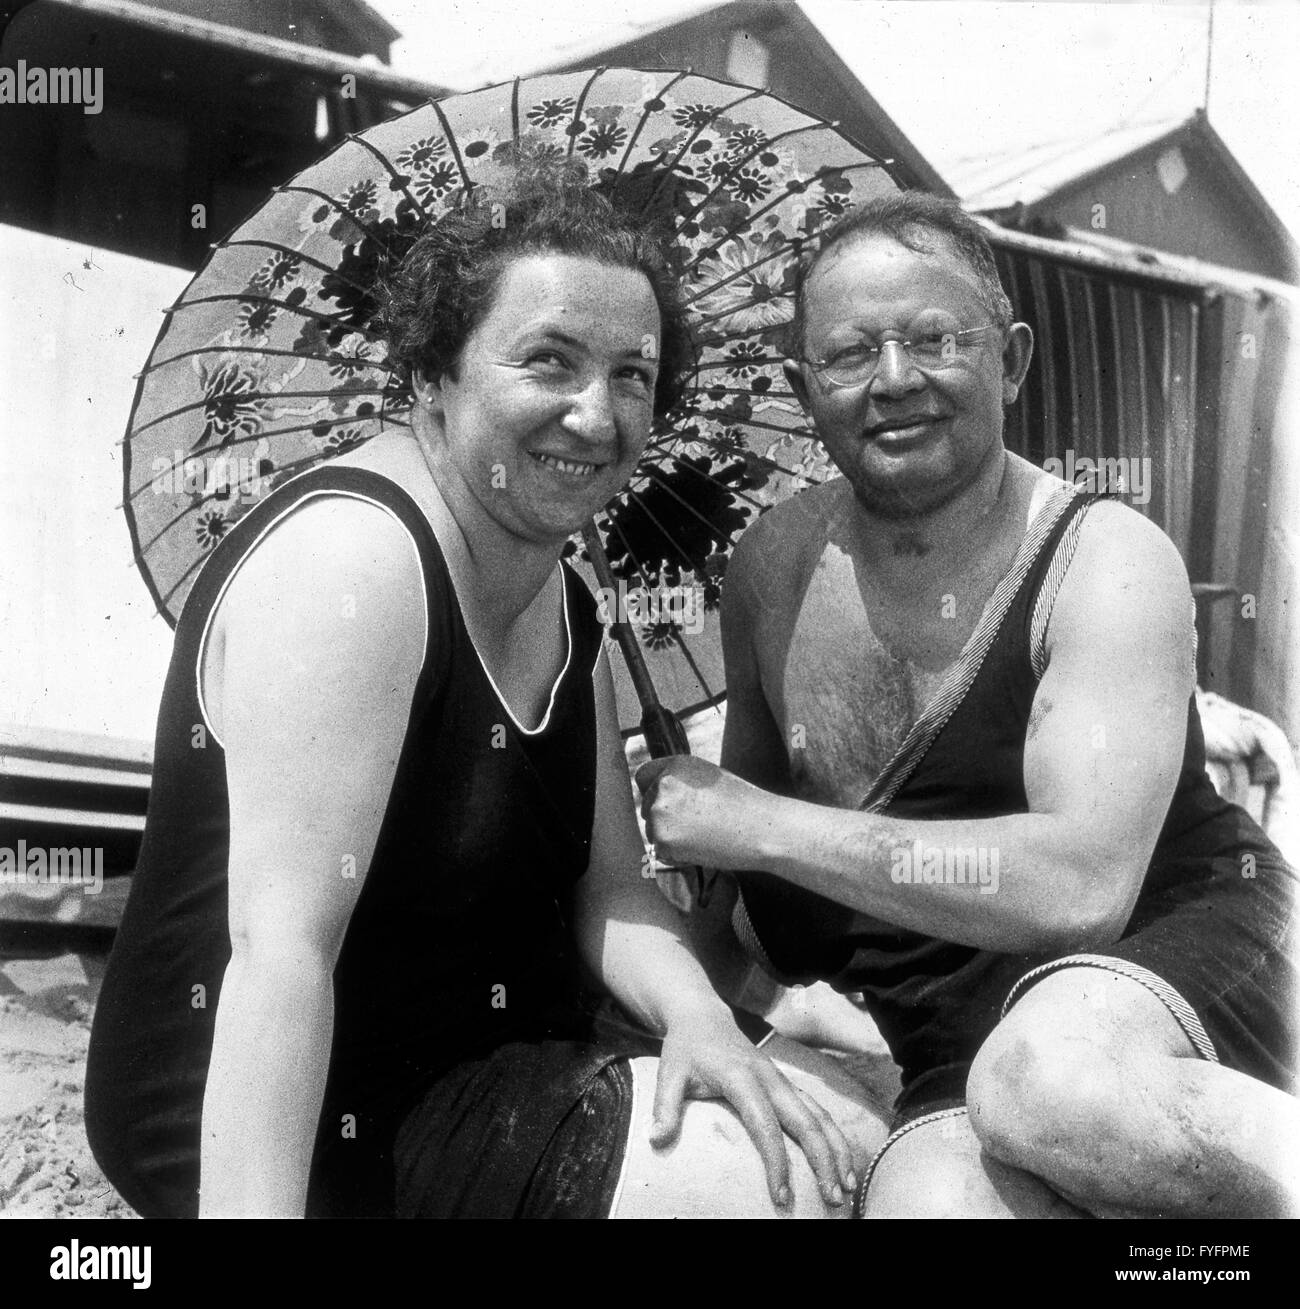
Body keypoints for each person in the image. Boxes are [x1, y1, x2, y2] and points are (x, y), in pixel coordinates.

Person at [85, 157, 885, 1219]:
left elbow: (610, 889)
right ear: (434, 376)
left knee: (851, 1102)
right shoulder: (355, 570)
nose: (595, 417)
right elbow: (280, 958)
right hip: (289, 1111)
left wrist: (698, 1015)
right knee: (791, 1184)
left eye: (631, 375)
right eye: (547, 362)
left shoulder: (559, 588)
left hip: (487, 1063)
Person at [635, 192, 1299, 1218]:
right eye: (852, 353)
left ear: (1015, 360)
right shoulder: (771, 568)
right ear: (803, 388)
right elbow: (758, 894)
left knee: (1050, 1084)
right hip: (939, 1029)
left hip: (1155, 967)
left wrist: (757, 824)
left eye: (935, 338)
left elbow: (1080, 887)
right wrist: (719, 951)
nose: (895, 380)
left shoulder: (1104, 558)